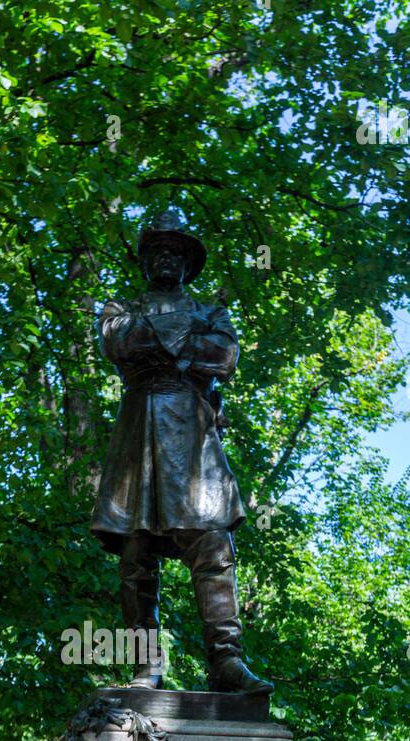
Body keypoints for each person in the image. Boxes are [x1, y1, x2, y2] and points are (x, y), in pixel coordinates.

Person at [92, 207, 272, 695]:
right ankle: (143, 665)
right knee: (136, 554)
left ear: (188, 264)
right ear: (146, 261)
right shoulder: (118, 308)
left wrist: (164, 345)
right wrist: (187, 346)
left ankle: (227, 661)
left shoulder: (212, 312)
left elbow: (225, 355)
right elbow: (119, 345)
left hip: (193, 437)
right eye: (158, 251)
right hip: (138, 434)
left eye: (176, 252)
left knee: (213, 543)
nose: (166, 258)